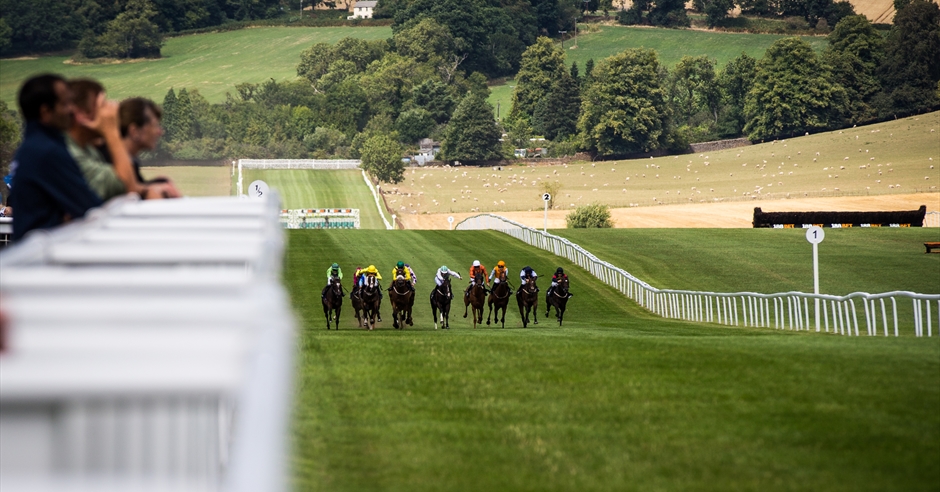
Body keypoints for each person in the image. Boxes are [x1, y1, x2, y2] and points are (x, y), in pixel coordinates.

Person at [8, 74, 103, 241]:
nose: (72, 110)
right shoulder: (47, 152)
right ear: (46, 112)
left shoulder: (31, 147)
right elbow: (90, 207)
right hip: (43, 250)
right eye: (65, 104)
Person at [66, 79, 176, 202]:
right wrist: (111, 131)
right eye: (103, 106)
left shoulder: (88, 151)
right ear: (81, 114)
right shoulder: (69, 152)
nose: (111, 114)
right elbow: (125, 187)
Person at [119, 97, 181, 194]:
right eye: (154, 126)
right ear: (134, 131)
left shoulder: (131, 161)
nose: (160, 132)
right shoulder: (114, 164)